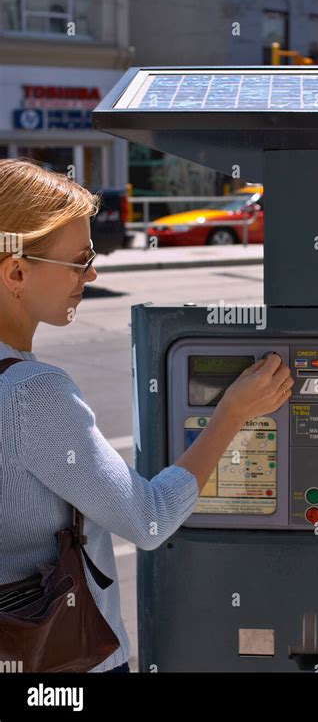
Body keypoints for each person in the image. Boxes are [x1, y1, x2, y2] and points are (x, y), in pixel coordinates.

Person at [0, 158, 294, 673]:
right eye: (79, 260)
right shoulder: (32, 394)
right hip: (66, 662)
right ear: (17, 271)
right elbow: (150, 519)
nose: (92, 273)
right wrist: (233, 414)